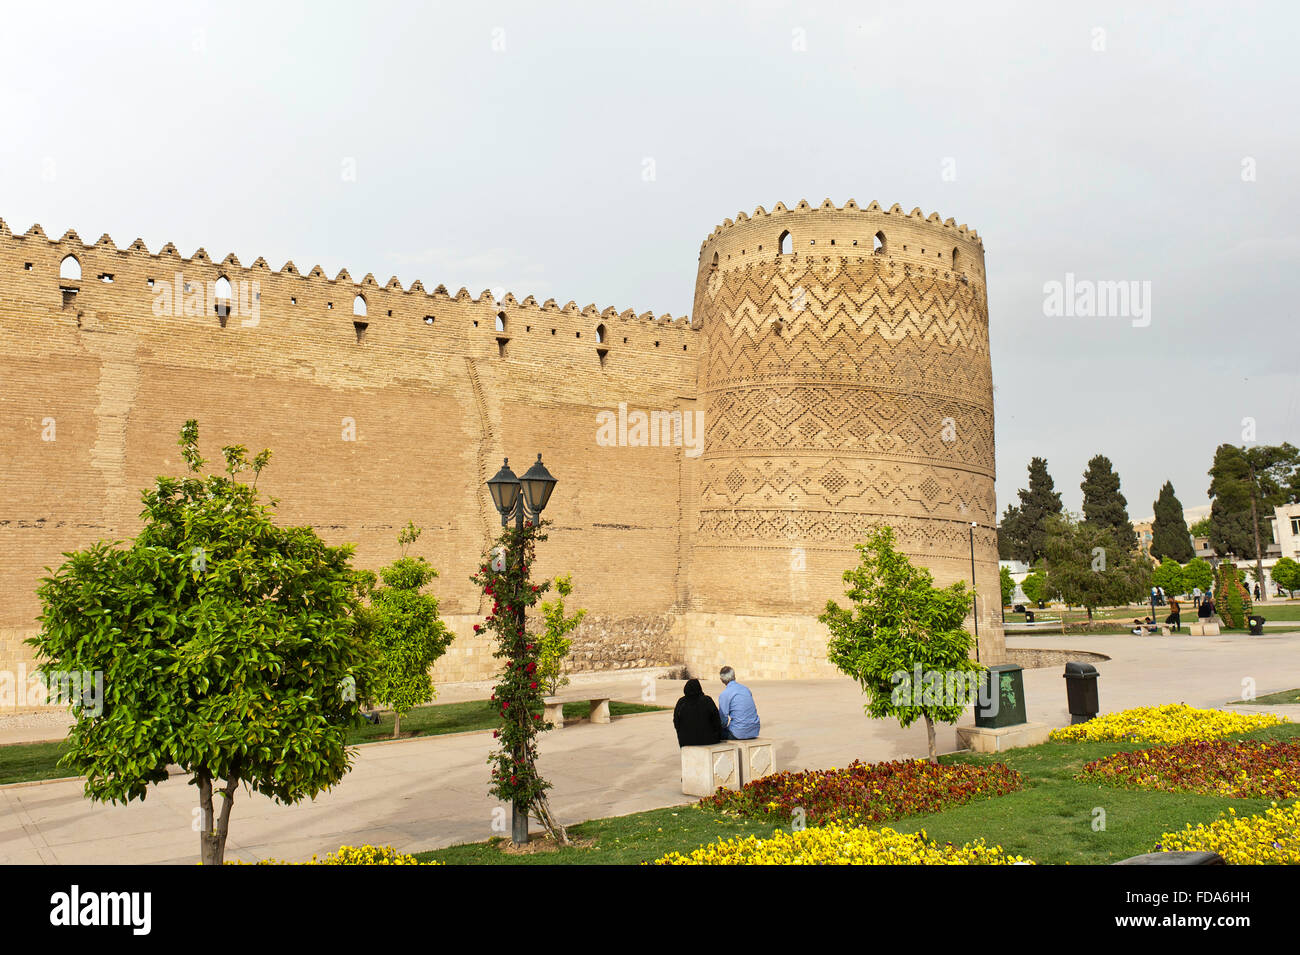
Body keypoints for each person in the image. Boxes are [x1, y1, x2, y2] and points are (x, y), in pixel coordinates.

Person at [673, 678, 722, 746]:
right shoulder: (707, 700)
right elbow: (717, 721)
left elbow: (676, 722)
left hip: (686, 741)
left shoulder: (681, 702)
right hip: (709, 740)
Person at [717, 666, 761, 740]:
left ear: (722, 680)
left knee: (712, 733)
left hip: (738, 733)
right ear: (734, 676)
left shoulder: (725, 694)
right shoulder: (745, 689)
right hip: (754, 730)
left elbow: (723, 720)